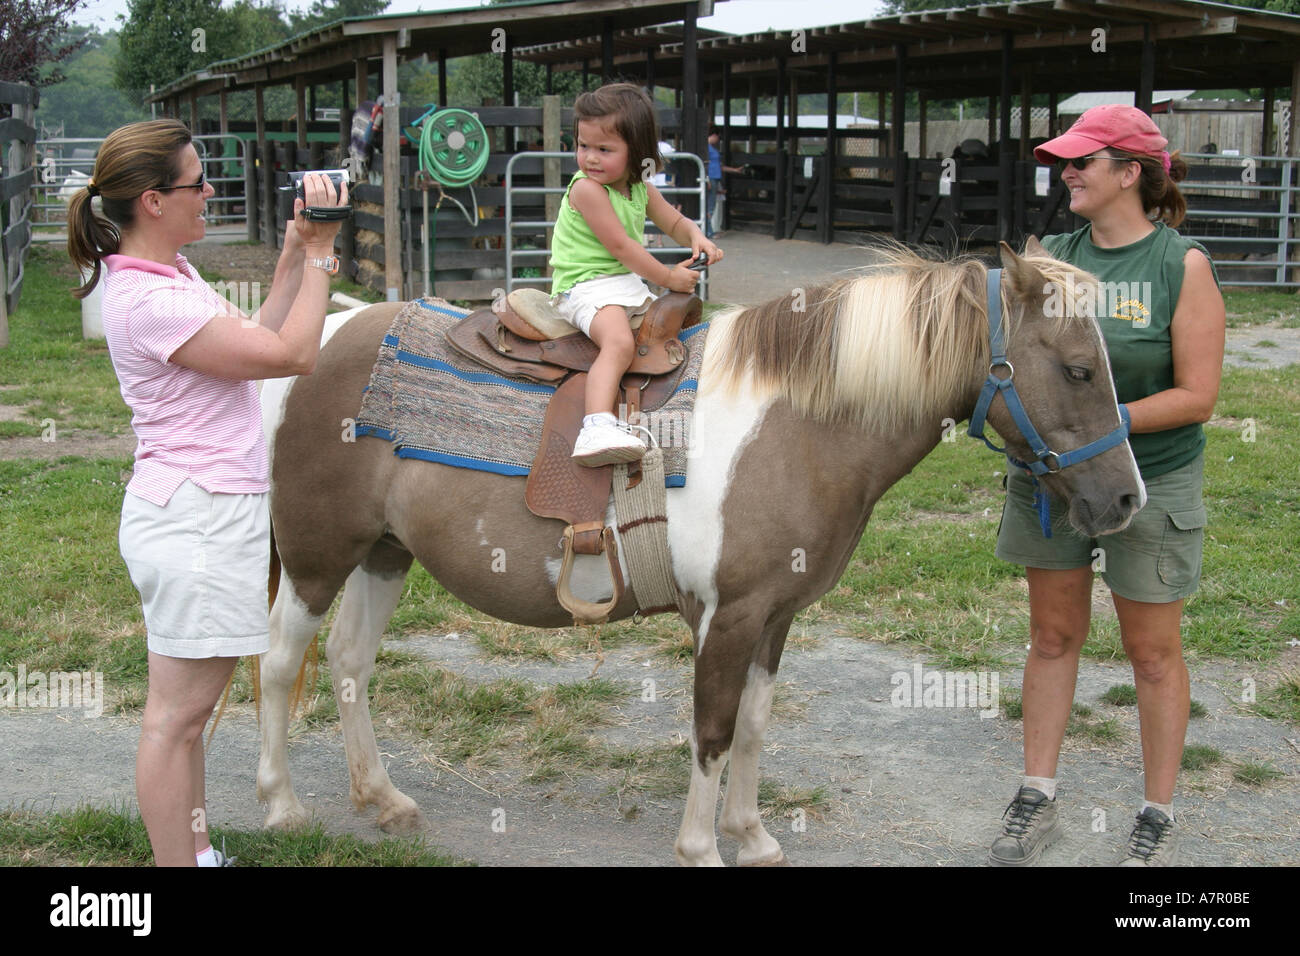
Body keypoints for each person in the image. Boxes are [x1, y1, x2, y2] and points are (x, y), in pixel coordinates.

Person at [67, 119, 347, 866]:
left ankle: (194, 853)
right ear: (154, 202)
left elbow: (250, 341)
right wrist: (322, 255)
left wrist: (291, 257)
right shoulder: (151, 300)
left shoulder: (170, 276)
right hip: (197, 522)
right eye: (198, 183)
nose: (210, 192)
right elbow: (291, 355)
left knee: (187, 719)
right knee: (176, 719)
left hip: (203, 514)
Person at [988, 104, 1225, 867]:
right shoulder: (1049, 255)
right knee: (1053, 637)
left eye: (1083, 162)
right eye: (1066, 161)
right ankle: (1036, 793)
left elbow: (1198, 396)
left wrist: (1102, 418)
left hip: (1148, 480)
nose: (1068, 173)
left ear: (1131, 173)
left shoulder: (1178, 265)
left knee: (1151, 653)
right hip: (1051, 482)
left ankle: (1154, 812)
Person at [549, 83, 721, 466]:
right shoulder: (587, 190)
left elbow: (673, 220)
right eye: (583, 146)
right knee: (620, 343)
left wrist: (696, 235)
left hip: (621, 284)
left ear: (637, 152)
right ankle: (595, 425)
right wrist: (668, 277)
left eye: (604, 150)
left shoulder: (638, 187)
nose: (590, 158)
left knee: (669, 332)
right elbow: (623, 248)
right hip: (585, 285)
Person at [705, 127, 744, 239]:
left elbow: (719, 166)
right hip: (711, 178)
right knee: (710, 206)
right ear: (713, 135)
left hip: (714, 178)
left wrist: (735, 170)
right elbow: (705, 164)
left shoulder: (710, 148)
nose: (718, 139)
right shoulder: (707, 148)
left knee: (710, 205)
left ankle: (708, 230)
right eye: (718, 136)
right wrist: (706, 178)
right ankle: (708, 232)